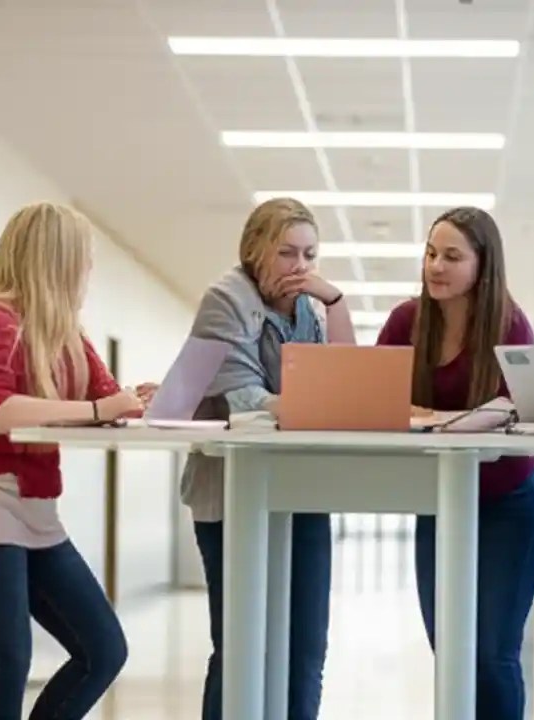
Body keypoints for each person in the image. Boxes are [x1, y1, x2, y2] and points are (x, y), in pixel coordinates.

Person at [0, 202, 150, 719]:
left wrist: (140, 402)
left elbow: (107, 397)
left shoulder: (67, 332)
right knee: (7, 662)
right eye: (84, 260)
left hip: (35, 511)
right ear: (59, 259)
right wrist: (97, 408)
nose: (88, 272)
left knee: (102, 650)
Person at [376, 206, 534, 720]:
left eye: (452, 256)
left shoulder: (509, 324)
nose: (436, 266)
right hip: (441, 501)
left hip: (512, 504)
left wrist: (428, 416)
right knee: (449, 650)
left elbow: (515, 407)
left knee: (492, 655)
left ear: (483, 265)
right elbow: (372, 395)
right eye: (432, 253)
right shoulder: (406, 321)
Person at [181, 197, 355, 720]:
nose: (300, 267)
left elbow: (344, 379)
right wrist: (316, 403)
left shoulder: (308, 308)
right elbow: (242, 396)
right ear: (256, 250)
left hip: (302, 486)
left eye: (309, 254)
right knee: (242, 647)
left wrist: (337, 300)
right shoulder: (225, 299)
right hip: (235, 492)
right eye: (287, 253)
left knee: (306, 646)